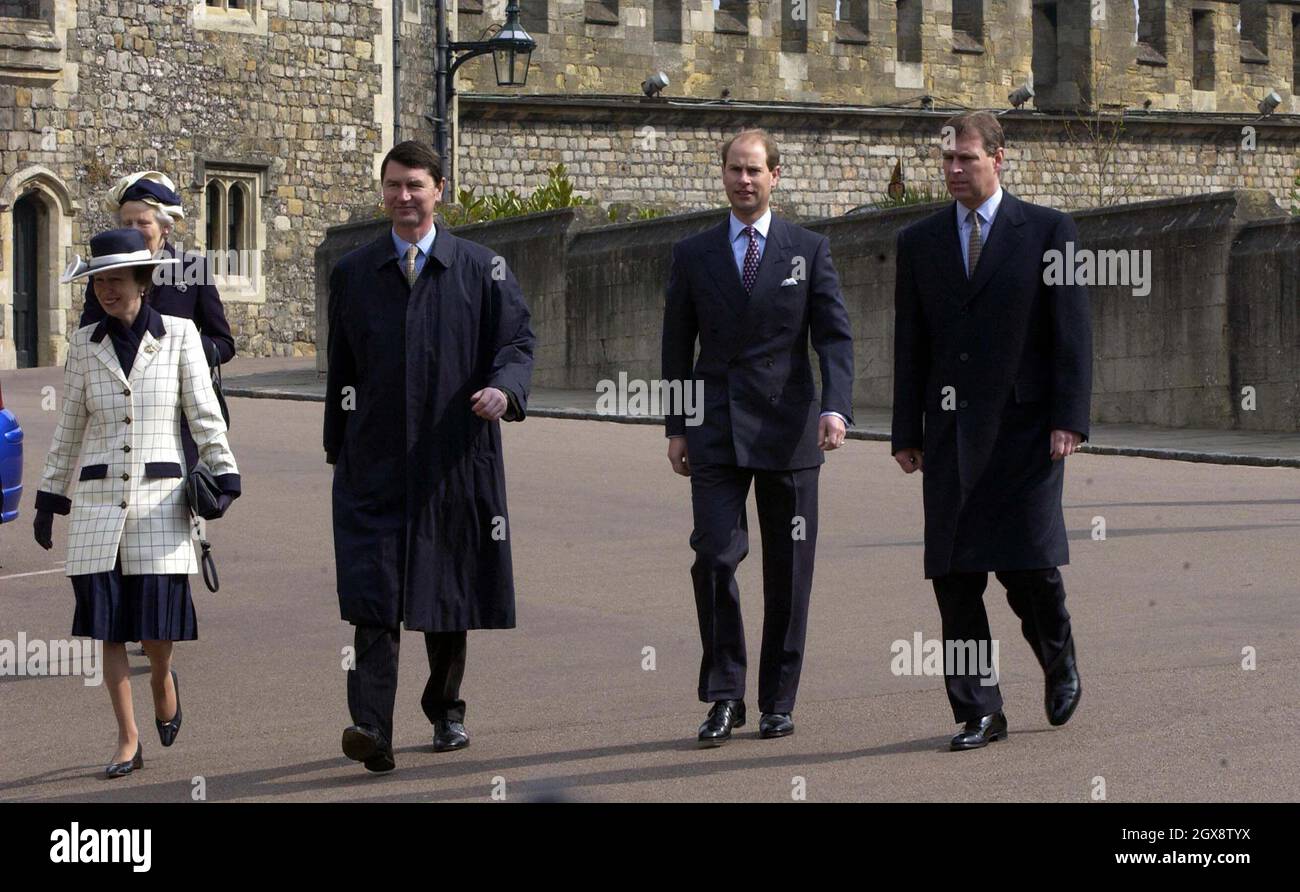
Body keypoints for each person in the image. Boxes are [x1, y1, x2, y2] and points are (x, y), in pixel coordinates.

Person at [324, 141, 535, 773]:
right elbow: (343, 371)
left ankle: (445, 708)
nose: (403, 197)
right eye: (393, 185)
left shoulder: (480, 269)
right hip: (375, 464)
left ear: (439, 189)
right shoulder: (355, 273)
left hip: (452, 460)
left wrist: (507, 389)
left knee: (448, 596)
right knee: (375, 597)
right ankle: (371, 728)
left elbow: (519, 343)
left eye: (415, 185)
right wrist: (339, 446)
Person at [890, 111, 1091, 751]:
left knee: (1027, 566)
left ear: (998, 159)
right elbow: (910, 345)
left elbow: (1072, 335)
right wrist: (905, 430)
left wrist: (1069, 419)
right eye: (946, 159)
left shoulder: (1048, 231)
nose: (953, 170)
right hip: (949, 432)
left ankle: (1057, 658)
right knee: (955, 576)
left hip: (1027, 431)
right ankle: (979, 709)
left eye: (966, 159)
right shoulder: (919, 242)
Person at [661, 129, 854, 746]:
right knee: (715, 557)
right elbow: (675, 347)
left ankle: (777, 699)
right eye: (734, 170)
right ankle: (724, 695)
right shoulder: (693, 253)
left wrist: (837, 410)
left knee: (789, 572)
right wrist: (675, 426)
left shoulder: (808, 249)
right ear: (722, 174)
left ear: (775, 176)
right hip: (714, 427)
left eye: (755, 171)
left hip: (789, 429)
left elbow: (833, 337)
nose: (744, 181)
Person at [32, 228, 241, 778]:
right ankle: (128, 738)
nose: (105, 290)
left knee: (156, 630)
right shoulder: (83, 344)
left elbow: (203, 414)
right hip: (99, 506)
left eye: (116, 280)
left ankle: (163, 679)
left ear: (143, 282)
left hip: (161, 504)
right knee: (108, 628)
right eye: (98, 280)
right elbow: (69, 427)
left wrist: (223, 471)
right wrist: (50, 496)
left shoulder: (180, 335)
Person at [84, 171, 236, 470]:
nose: (134, 230)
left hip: (178, 412)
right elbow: (87, 336)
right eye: (127, 223)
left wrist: (181, 348)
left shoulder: (193, 269)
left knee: (177, 501)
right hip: (119, 410)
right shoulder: (103, 275)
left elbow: (224, 344)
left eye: (143, 223)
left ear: (165, 228)